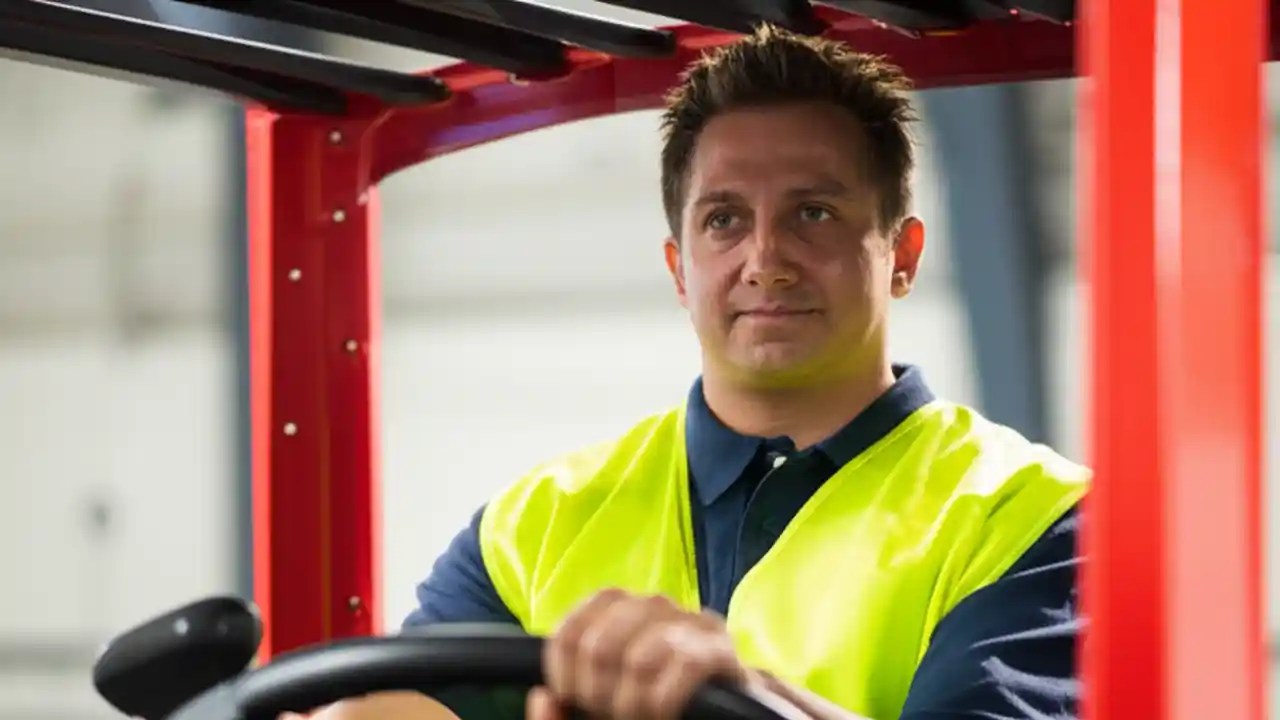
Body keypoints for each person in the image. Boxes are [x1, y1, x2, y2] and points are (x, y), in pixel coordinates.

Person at [295, 24, 1088, 720]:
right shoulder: (535, 525)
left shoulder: (1027, 520)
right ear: (680, 269)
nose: (766, 260)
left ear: (901, 255)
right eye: (725, 219)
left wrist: (748, 701)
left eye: (813, 212)